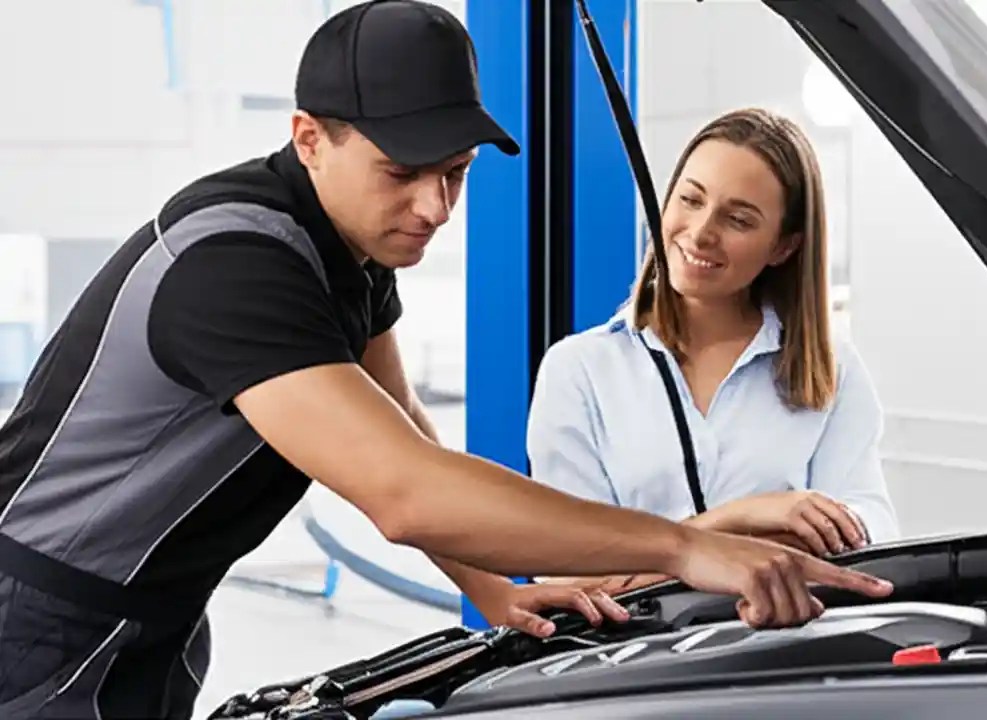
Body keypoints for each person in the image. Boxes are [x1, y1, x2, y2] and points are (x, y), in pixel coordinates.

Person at [0, 4, 893, 719]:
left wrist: (496, 591)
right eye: (404, 172)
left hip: (153, 621)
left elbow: (412, 441)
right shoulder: (235, 263)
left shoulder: (347, 249)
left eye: (457, 172)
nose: (436, 206)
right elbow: (404, 493)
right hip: (34, 626)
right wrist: (689, 547)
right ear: (310, 137)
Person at [527, 108, 900, 594]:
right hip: (629, 665)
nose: (701, 232)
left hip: (786, 655)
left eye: (739, 219)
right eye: (690, 199)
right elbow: (570, 572)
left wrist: (645, 558)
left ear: (783, 247)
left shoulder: (833, 369)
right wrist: (743, 518)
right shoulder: (579, 370)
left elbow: (867, 539)